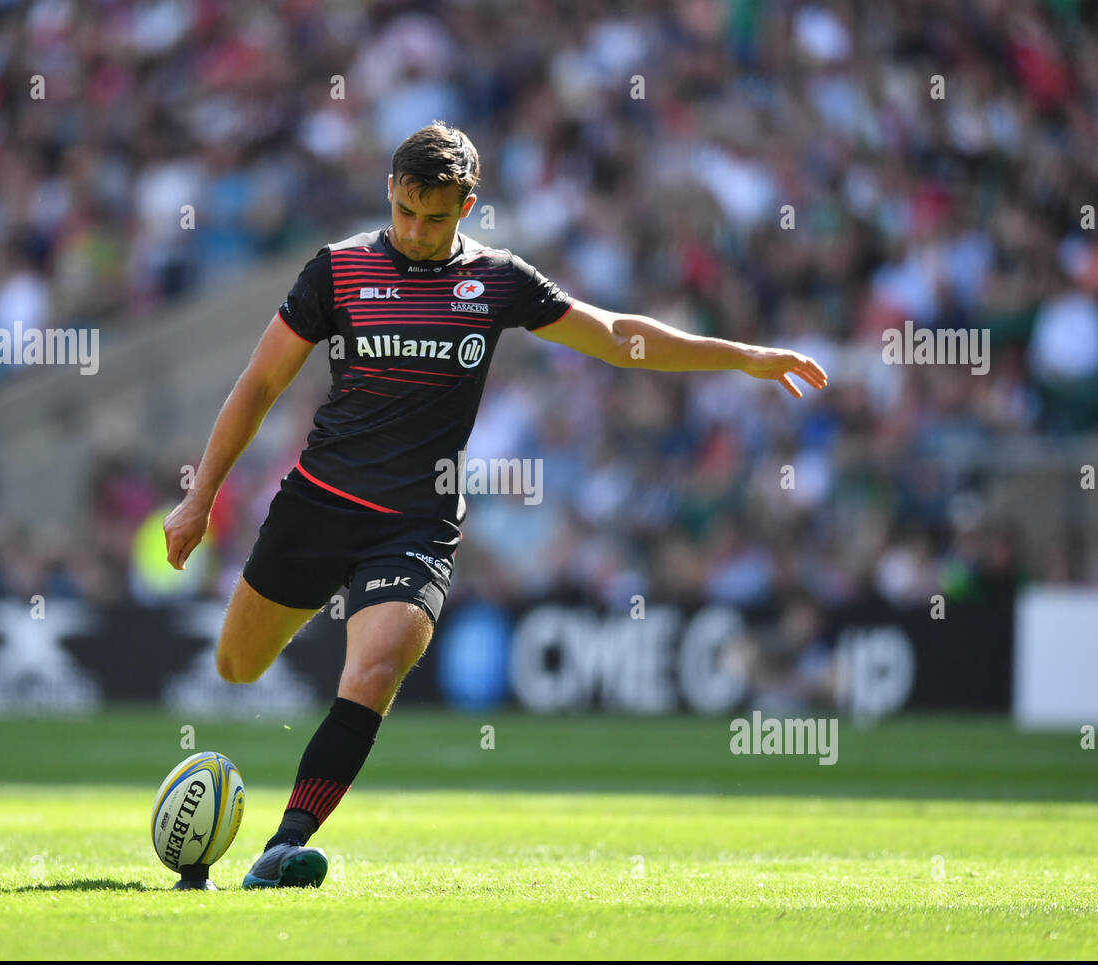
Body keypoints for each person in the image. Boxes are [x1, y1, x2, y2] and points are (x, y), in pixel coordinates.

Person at [162, 122, 827, 890]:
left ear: (468, 206)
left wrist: (742, 355)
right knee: (237, 665)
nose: (416, 230)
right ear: (390, 191)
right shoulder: (336, 271)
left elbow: (617, 336)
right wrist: (198, 499)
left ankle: (284, 847)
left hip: (416, 523)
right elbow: (259, 383)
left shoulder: (500, 281)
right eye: (406, 211)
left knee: (377, 664)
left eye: (436, 217)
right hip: (318, 504)